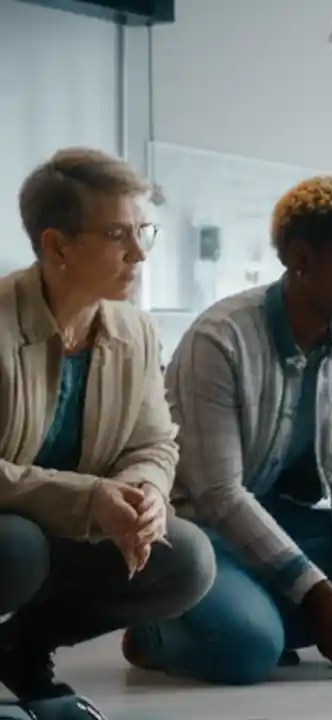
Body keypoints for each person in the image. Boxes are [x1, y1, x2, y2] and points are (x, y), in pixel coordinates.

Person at [125, 176, 332, 685]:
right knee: (248, 650)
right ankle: (157, 629)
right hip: (202, 529)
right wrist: (318, 593)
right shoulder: (219, 340)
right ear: (301, 259)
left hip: (285, 521)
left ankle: (262, 612)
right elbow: (219, 495)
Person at [0, 148, 214, 717]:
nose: (140, 252)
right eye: (118, 234)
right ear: (57, 246)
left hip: (69, 530)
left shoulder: (135, 329)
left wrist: (144, 492)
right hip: (13, 532)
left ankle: (21, 647)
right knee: (15, 547)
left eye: (143, 231)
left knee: (185, 559)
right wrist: (89, 499)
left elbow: (154, 442)